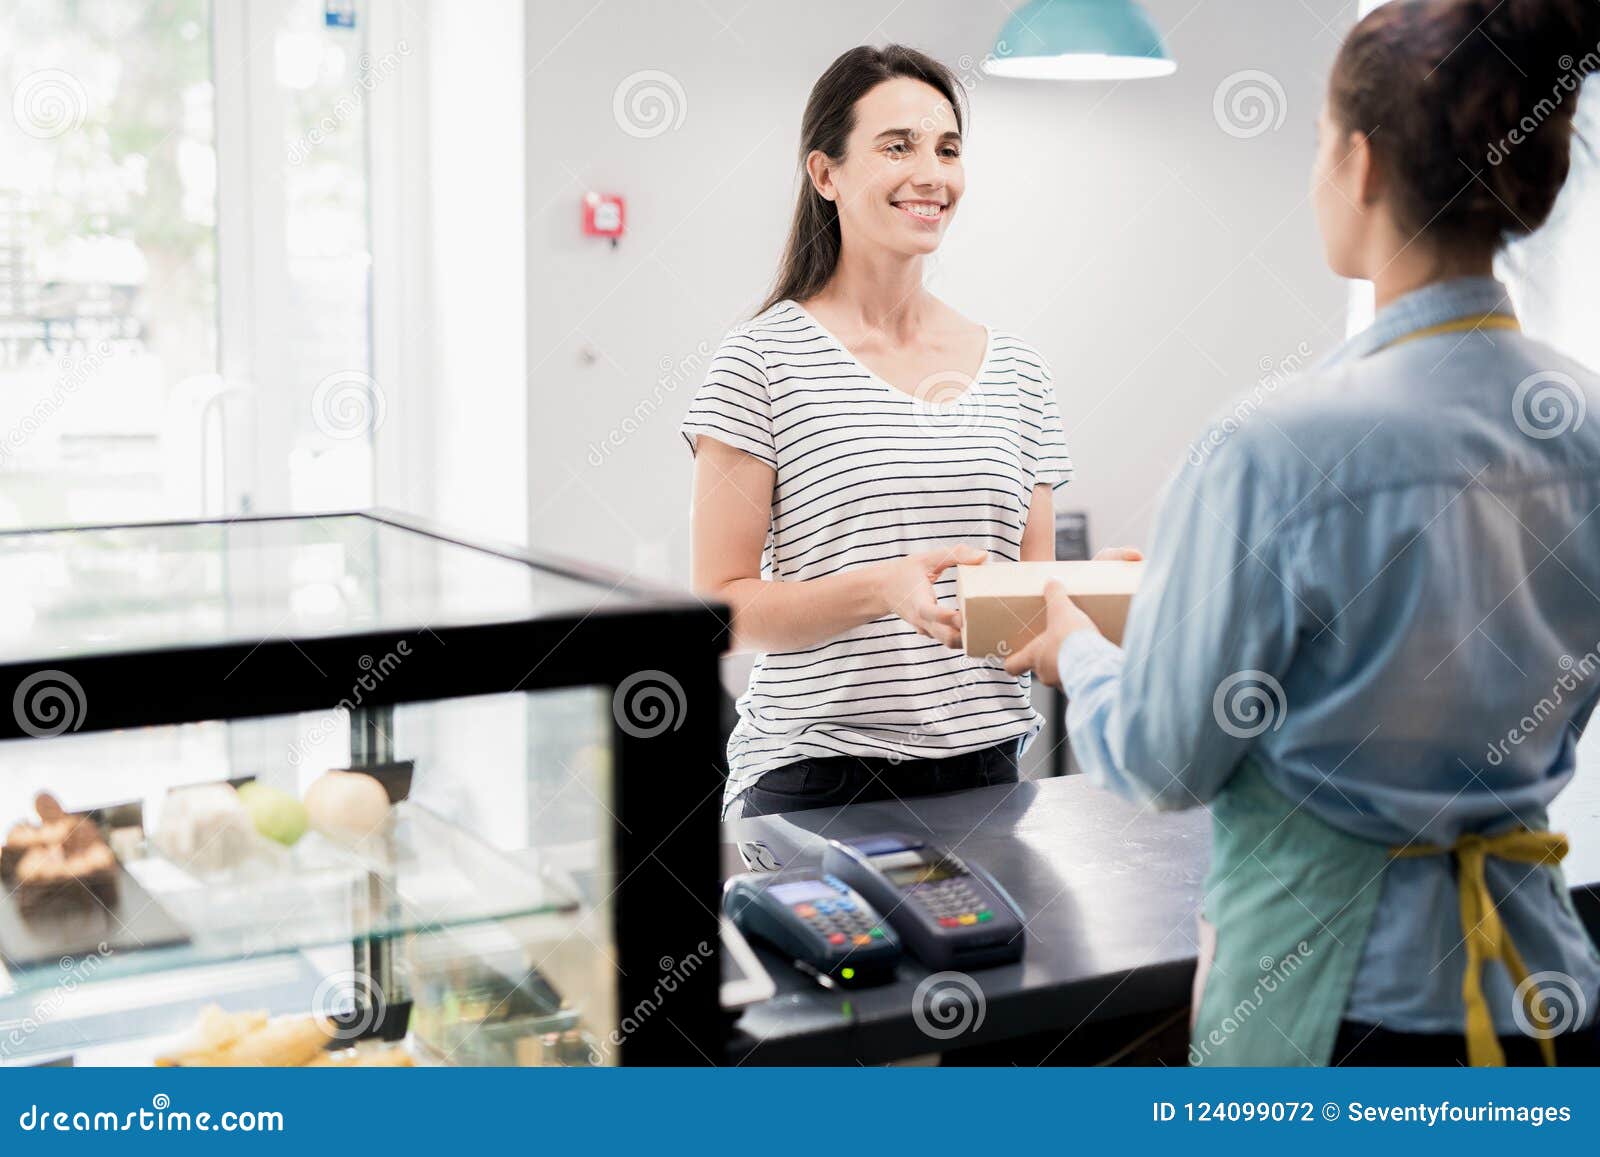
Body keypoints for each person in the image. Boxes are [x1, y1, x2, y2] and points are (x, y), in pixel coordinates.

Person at [1007, 0, 1600, 1066]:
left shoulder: (1273, 446)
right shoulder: (1583, 425)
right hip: (1536, 998)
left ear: (1359, 164)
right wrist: (1190, 601)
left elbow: (1162, 758)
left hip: (1333, 1013)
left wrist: (1077, 650)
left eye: (1320, 140)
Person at [680, 44, 1134, 819]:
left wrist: (1101, 596)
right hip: (815, 781)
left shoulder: (1019, 372)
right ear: (826, 174)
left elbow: (1026, 608)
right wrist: (879, 591)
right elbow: (721, 608)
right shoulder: (760, 360)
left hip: (988, 778)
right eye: (898, 146)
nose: (932, 174)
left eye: (947, 149)